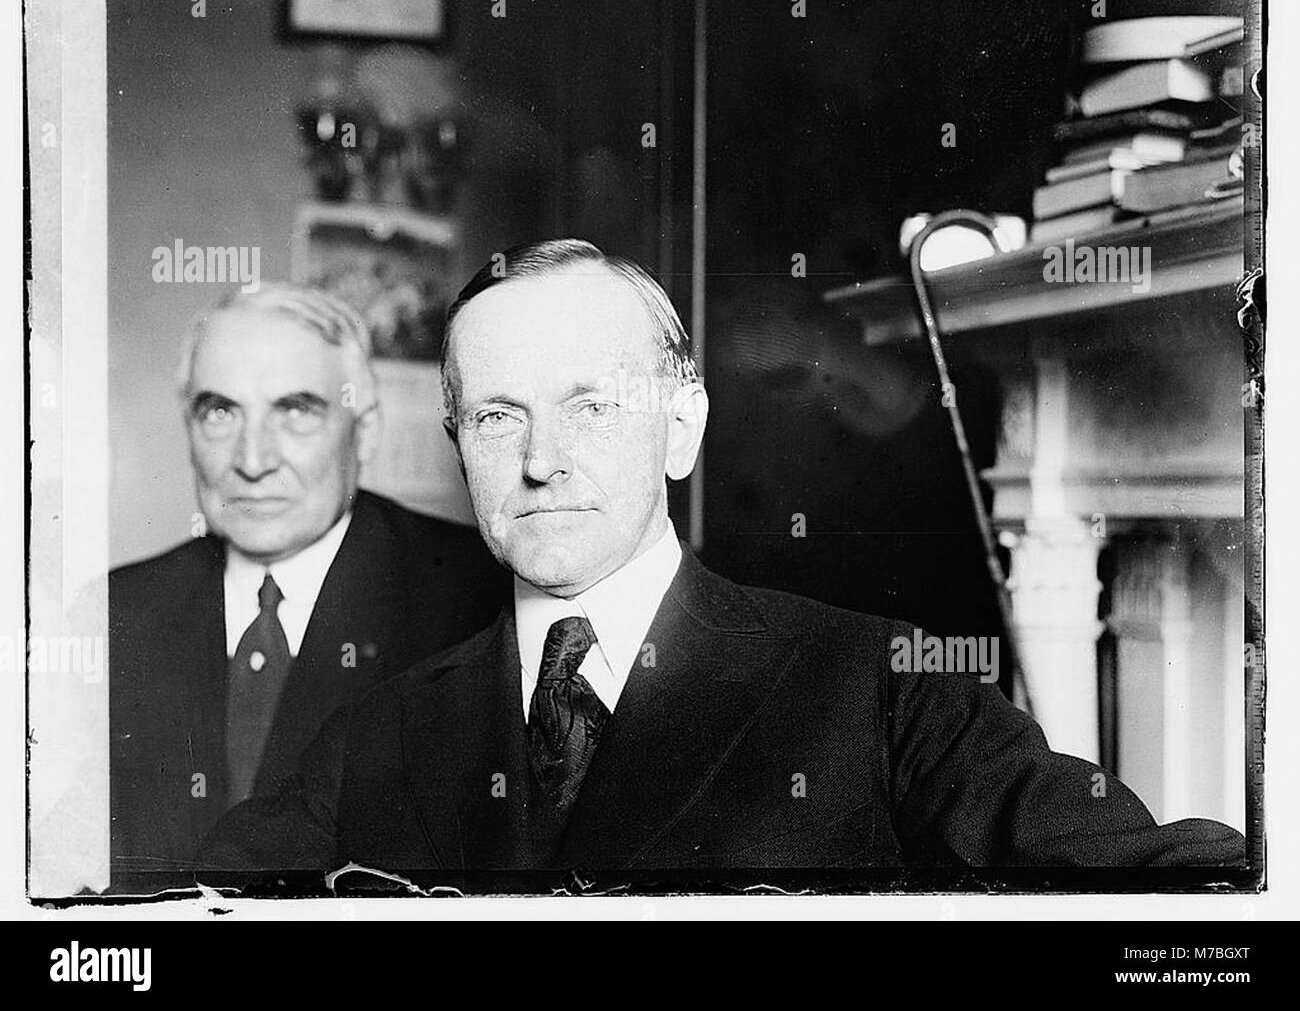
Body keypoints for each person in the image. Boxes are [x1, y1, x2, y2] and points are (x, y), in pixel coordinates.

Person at [198, 241, 1244, 877]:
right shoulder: (375, 736)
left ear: (682, 427)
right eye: (498, 415)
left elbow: (1151, 882)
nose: (541, 459)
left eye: (591, 406)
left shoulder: (881, 685)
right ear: (457, 444)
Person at [110, 283, 506, 889]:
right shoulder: (117, 613)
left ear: (364, 431)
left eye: (295, 411)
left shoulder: (480, 600)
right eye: (220, 412)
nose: (253, 460)